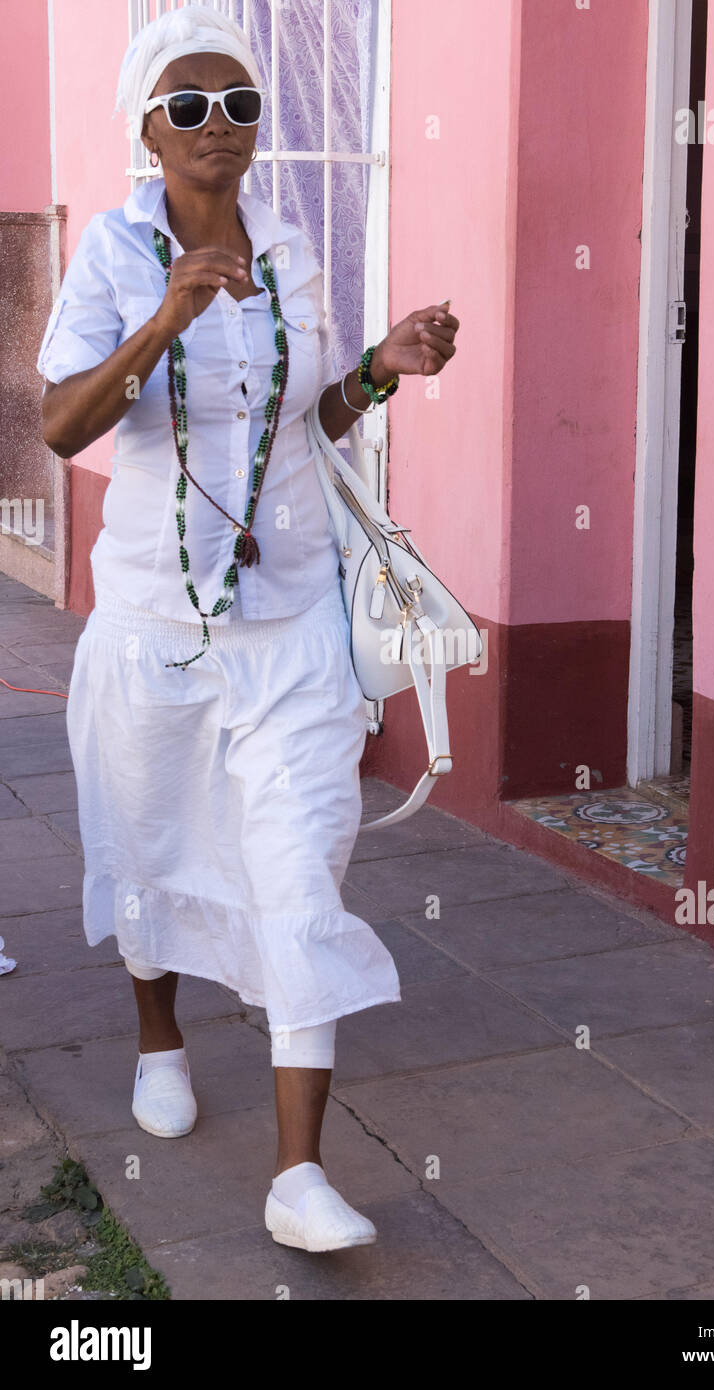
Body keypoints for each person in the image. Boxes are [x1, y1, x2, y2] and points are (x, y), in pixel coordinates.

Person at [36, 4, 459, 1255]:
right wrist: (163, 316)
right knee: (151, 832)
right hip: (158, 623)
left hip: (292, 623)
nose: (221, 124)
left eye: (241, 104)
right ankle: (159, 1036)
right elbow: (61, 428)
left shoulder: (296, 250)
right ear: (149, 133)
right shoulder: (113, 255)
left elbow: (307, 423)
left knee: (302, 866)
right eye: (191, 105)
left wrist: (380, 364)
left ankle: (299, 1176)